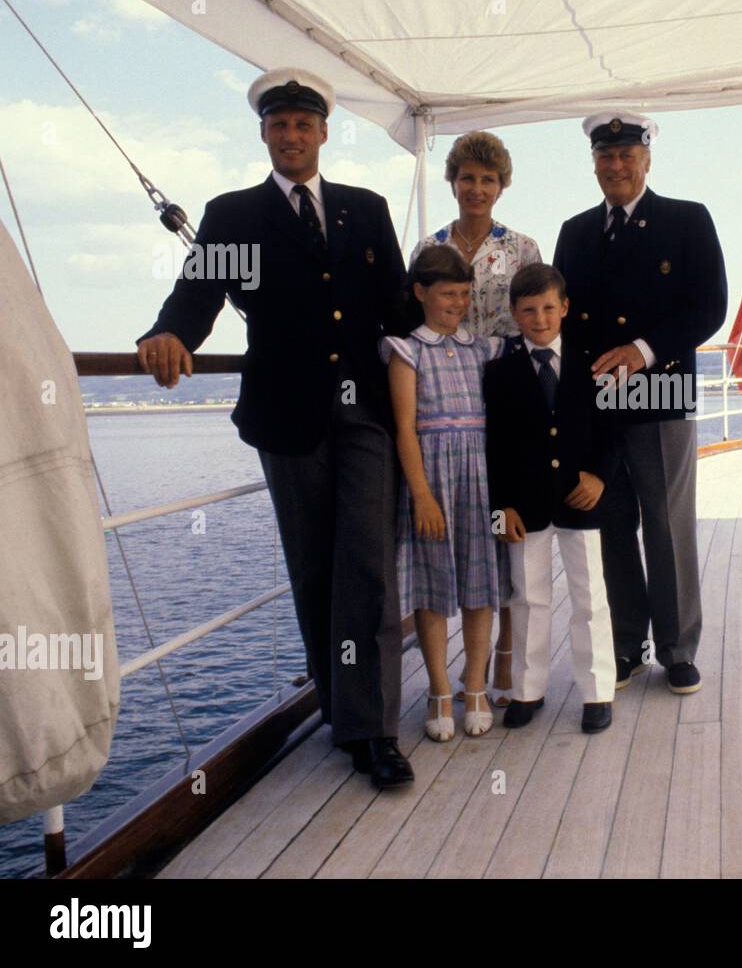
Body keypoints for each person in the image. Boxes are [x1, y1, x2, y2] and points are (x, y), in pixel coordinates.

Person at [136, 68, 414, 790]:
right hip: (285, 412)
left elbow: (399, 309)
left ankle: (375, 728)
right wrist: (168, 332)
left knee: (370, 567)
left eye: (303, 124)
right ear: (265, 133)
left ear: (324, 132)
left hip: (367, 414)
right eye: (279, 125)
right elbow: (197, 294)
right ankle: (342, 711)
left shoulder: (367, 208)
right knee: (316, 569)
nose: (291, 135)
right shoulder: (233, 215)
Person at [552, 112, 727, 695]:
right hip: (598, 399)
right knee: (611, 523)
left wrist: (642, 350)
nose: (616, 166)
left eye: (627, 155)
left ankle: (678, 649)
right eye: (606, 156)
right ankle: (627, 645)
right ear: (594, 163)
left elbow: (709, 308)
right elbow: (566, 327)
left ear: (647, 159)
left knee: (667, 522)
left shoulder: (686, 219)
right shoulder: (575, 232)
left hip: (661, 390)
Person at [409, 131, 542, 706]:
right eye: (468, 178)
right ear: (453, 182)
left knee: (504, 538)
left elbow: (540, 321)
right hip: (447, 402)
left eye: (488, 179)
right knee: (461, 540)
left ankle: (504, 668)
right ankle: (457, 679)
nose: (478, 188)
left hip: (506, 396)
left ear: (501, 185)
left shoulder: (522, 248)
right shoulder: (429, 248)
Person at [382, 244, 510, 741]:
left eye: (463, 294)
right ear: (420, 293)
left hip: (477, 477)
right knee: (432, 590)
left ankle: (473, 684)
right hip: (432, 476)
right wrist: (422, 496)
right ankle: (438, 688)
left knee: (481, 585)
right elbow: (405, 430)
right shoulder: (406, 351)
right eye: (447, 294)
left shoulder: (482, 348)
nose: (457, 303)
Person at [484, 264, 617, 734]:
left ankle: (598, 691)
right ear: (514, 315)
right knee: (528, 597)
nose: (539, 319)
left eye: (547, 308)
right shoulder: (498, 373)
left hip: (583, 500)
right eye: (528, 310)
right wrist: (500, 509)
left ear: (564, 307)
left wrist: (600, 476)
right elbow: (493, 446)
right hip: (524, 507)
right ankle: (527, 689)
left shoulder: (593, 363)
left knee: (589, 597)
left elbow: (612, 429)